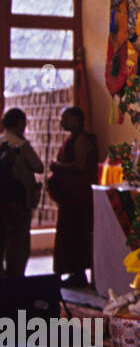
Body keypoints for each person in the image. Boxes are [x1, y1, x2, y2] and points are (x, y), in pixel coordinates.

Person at [48, 106, 98, 286]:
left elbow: (80, 165)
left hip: (79, 196)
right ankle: (75, 273)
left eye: (66, 118)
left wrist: (58, 166)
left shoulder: (82, 139)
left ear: (76, 119)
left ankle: (80, 273)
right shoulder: (70, 138)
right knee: (69, 234)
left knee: (77, 234)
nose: (62, 122)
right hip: (69, 197)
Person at [0, 107, 44, 278]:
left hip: (3, 202)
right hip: (18, 202)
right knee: (18, 246)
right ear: (20, 123)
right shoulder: (20, 144)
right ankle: (17, 291)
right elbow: (38, 166)